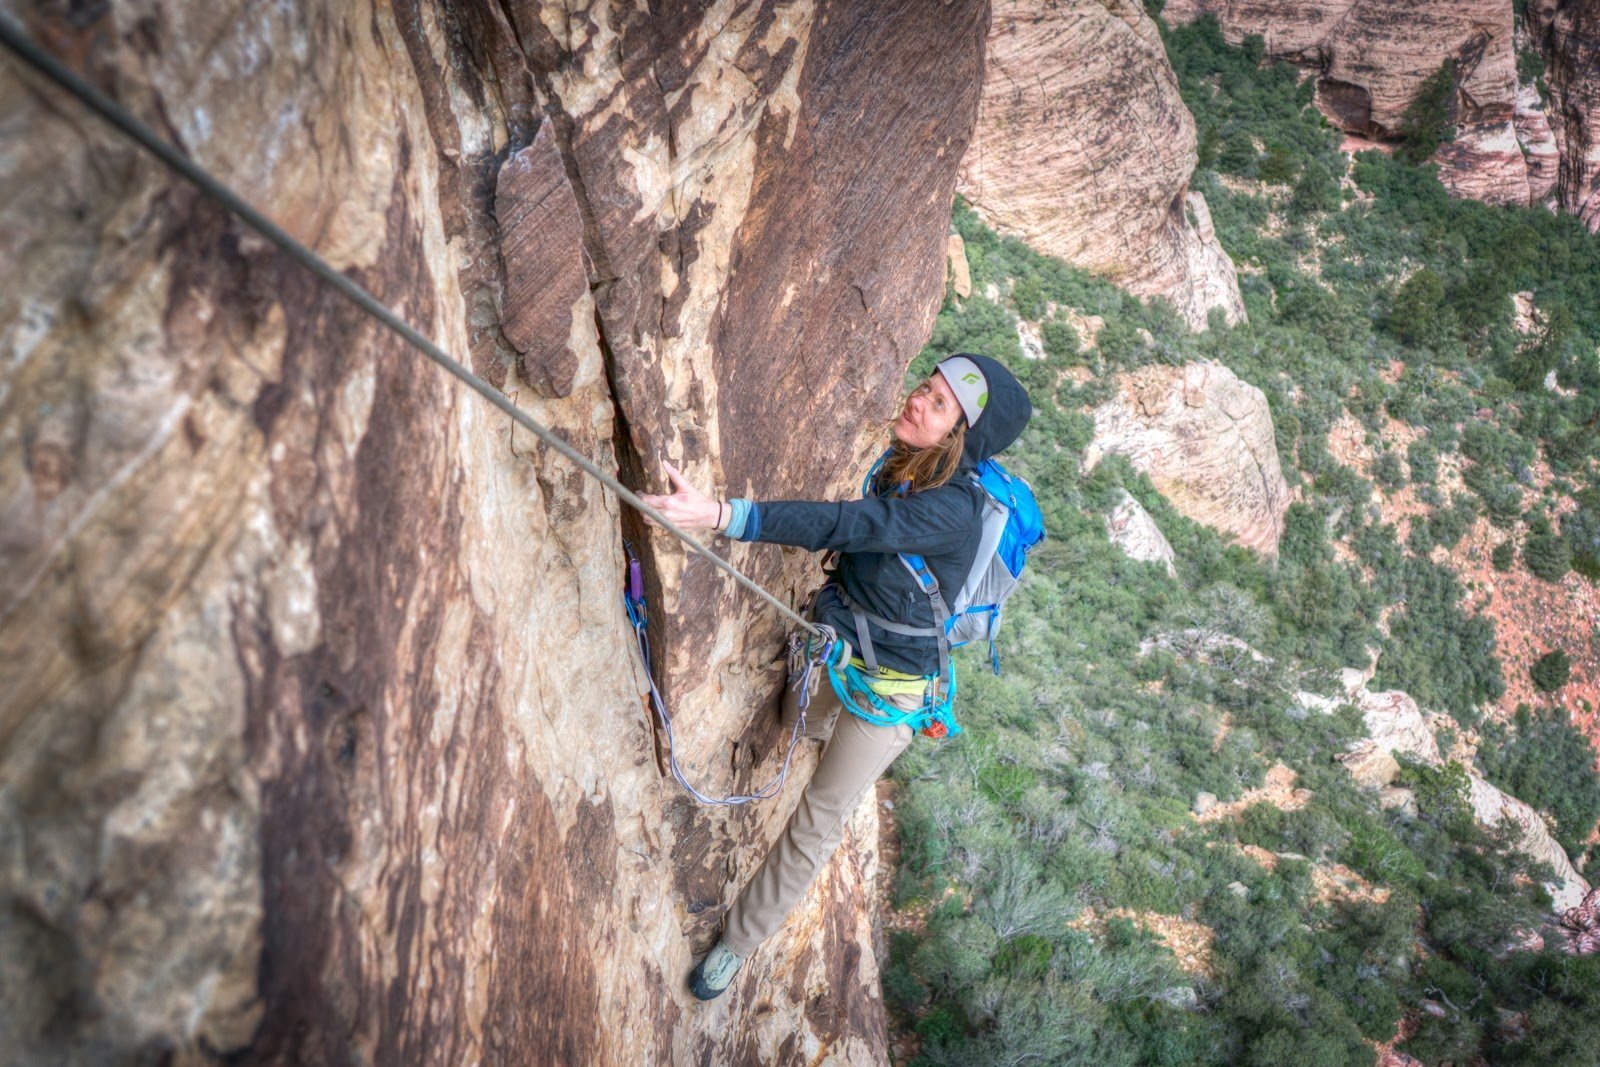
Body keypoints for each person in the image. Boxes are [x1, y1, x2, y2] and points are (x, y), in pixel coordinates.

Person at [638, 352, 1032, 1001]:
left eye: (938, 404)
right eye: (925, 388)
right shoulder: (905, 468)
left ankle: (736, 944)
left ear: (959, 437)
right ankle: (815, 725)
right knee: (797, 720)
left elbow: (853, 526)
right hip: (842, 646)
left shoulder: (952, 510)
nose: (917, 400)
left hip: (892, 696)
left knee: (818, 816)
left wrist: (724, 515)